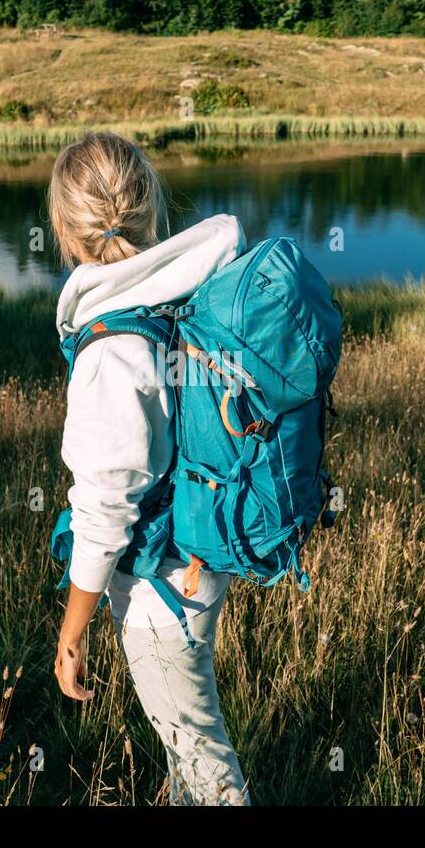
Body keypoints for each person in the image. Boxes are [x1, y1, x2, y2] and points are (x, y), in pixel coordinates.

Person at [49, 132, 250, 805]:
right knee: (185, 741)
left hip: (163, 591)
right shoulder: (177, 290)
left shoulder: (112, 348)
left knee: (201, 753)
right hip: (198, 560)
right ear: (148, 208)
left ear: (66, 232)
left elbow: (105, 511)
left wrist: (72, 635)